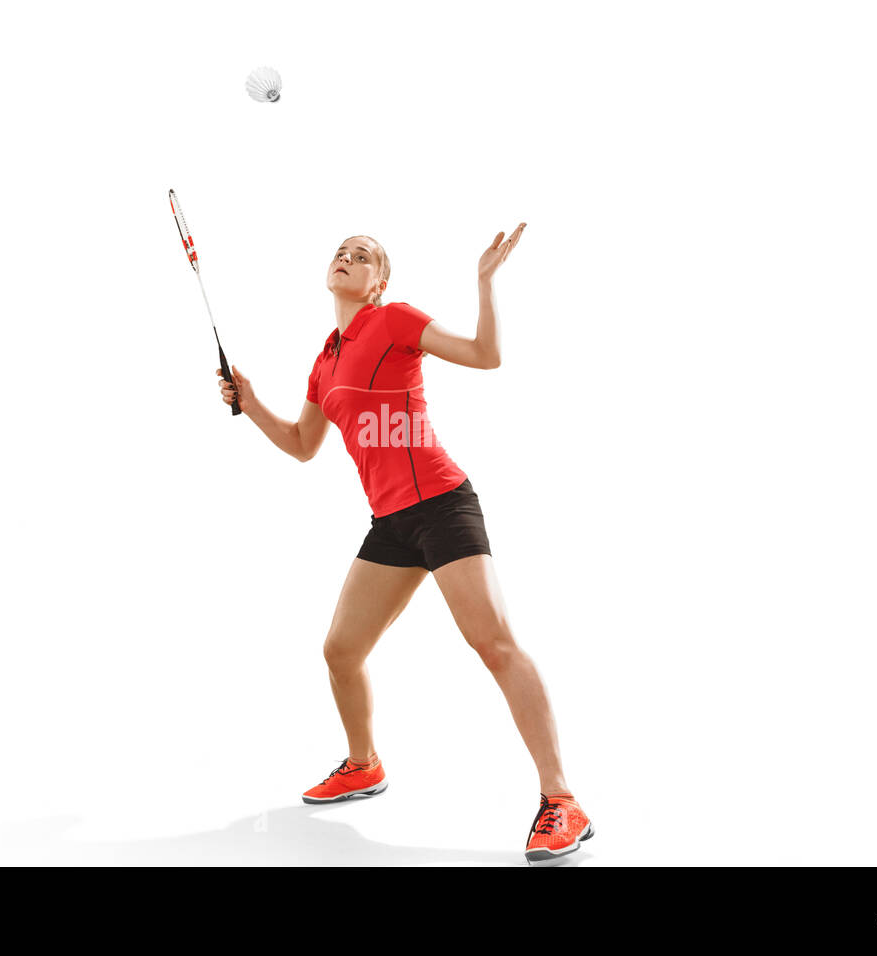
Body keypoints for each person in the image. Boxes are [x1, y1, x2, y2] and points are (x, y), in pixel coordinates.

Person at [213, 226, 593, 864]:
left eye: (362, 256)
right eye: (341, 251)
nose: (346, 258)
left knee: (493, 644)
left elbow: (484, 355)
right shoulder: (325, 359)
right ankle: (363, 764)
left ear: (379, 283)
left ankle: (561, 800)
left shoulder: (393, 320)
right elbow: (304, 446)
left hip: (442, 506)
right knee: (340, 650)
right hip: (390, 522)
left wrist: (484, 284)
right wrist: (250, 403)